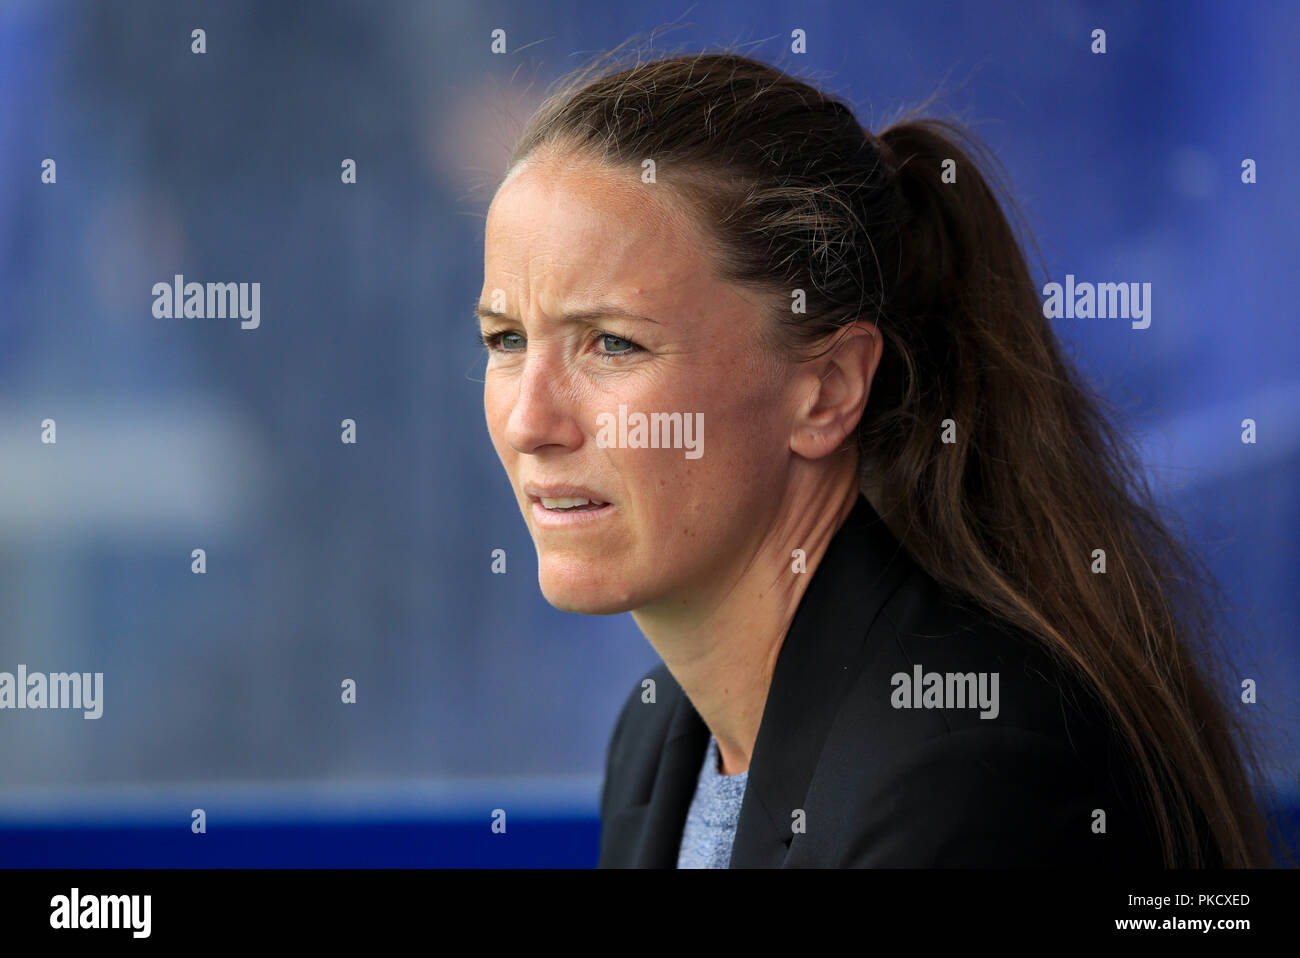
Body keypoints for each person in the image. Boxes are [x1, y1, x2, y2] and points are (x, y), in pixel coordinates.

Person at [475, 47, 1276, 867]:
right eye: (505, 339)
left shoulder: (968, 775)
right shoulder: (663, 736)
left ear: (825, 390)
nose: (529, 421)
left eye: (612, 343)